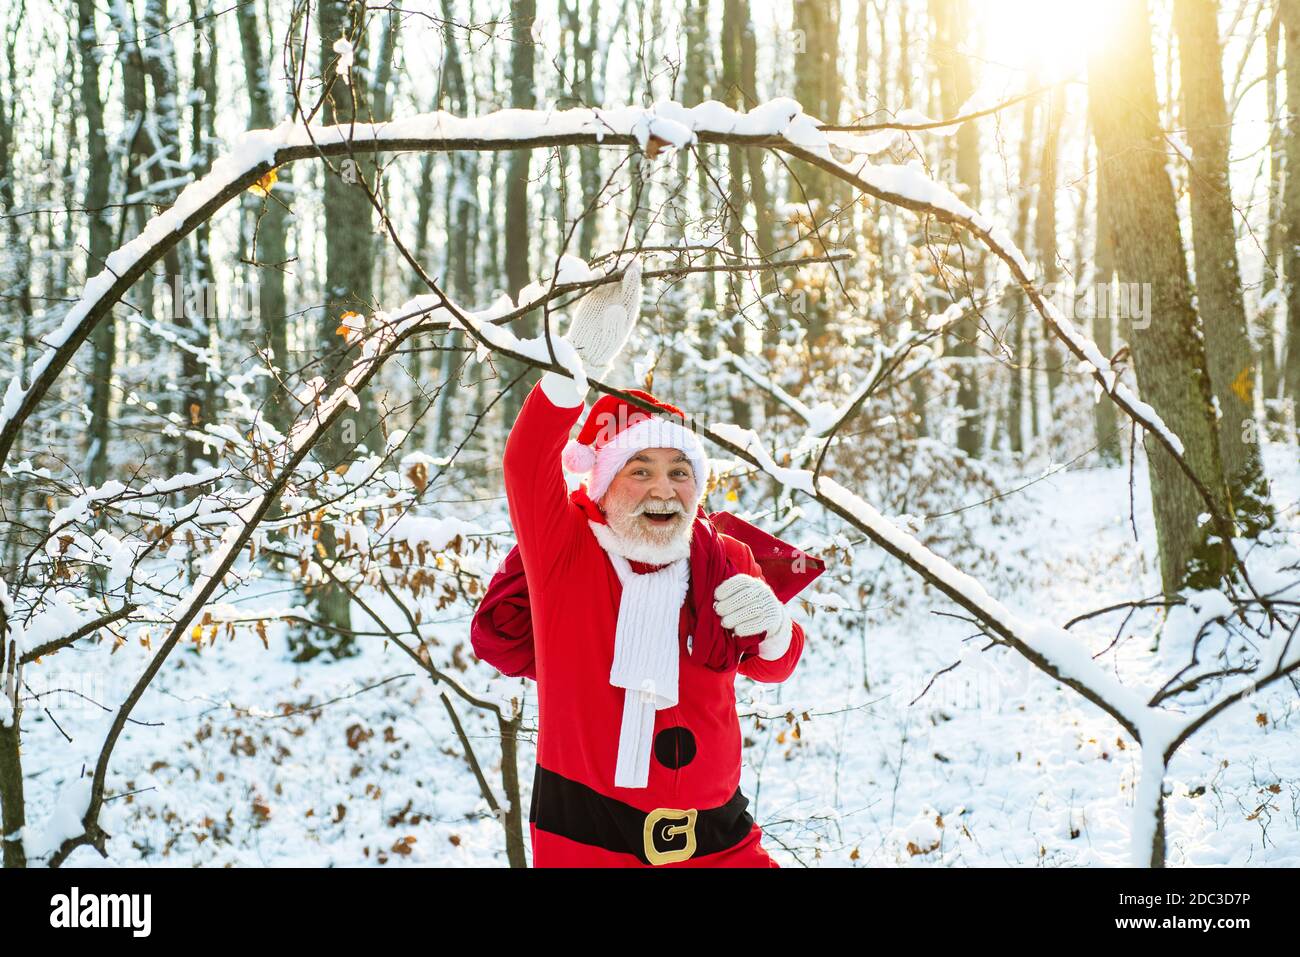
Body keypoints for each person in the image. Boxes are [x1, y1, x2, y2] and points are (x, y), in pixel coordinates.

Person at [502, 257, 807, 867]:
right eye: (639, 471)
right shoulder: (567, 549)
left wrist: (775, 630)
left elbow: (774, 666)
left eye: (679, 472)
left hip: (721, 842)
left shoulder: (722, 557)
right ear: (606, 485)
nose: (663, 489)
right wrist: (573, 370)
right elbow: (525, 463)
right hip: (589, 839)